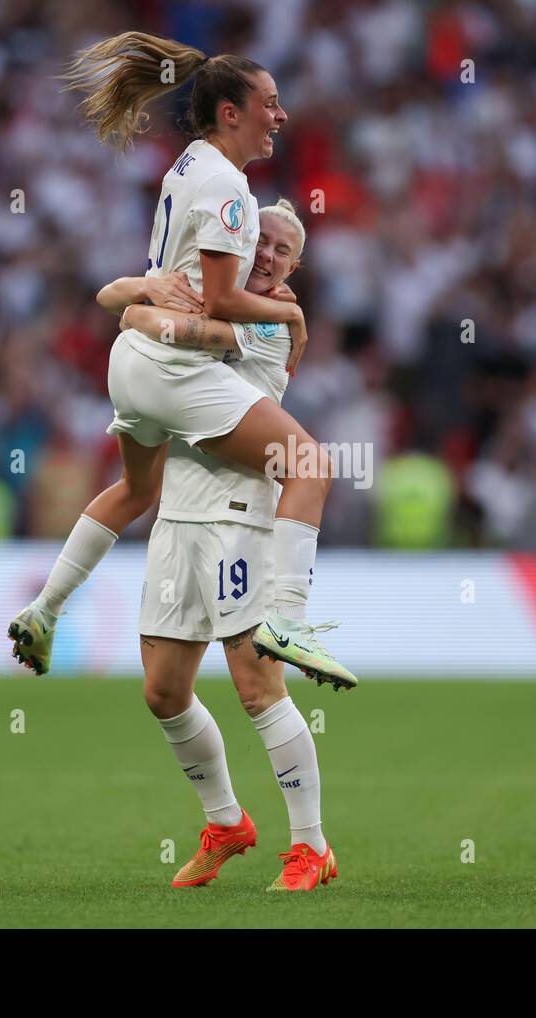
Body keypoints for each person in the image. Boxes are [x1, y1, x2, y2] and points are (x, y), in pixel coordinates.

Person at [7, 32, 354, 689]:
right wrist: (289, 311)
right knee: (309, 462)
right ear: (232, 113)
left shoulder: (186, 166)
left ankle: (45, 608)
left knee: (138, 488)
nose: (281, 116)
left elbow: (150, 285)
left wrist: (139, 302)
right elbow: (222, 298)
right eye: (270, 104)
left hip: (132, 358)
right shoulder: (230, 188)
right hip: (173, 368)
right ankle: (288, 620)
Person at [92, 199, 337, 892]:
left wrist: (141, 303)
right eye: (261, 242)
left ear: (294, 270)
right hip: (179, 515)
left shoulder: (273, 320)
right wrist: (140, 298)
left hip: (239, 518)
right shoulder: (230, 300)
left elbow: (161, 325)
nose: (267, 257)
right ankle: (226, 822)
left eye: (283, 251)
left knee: (258, 688)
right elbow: (119, 300)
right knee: (164, 692)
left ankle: (312, 846)